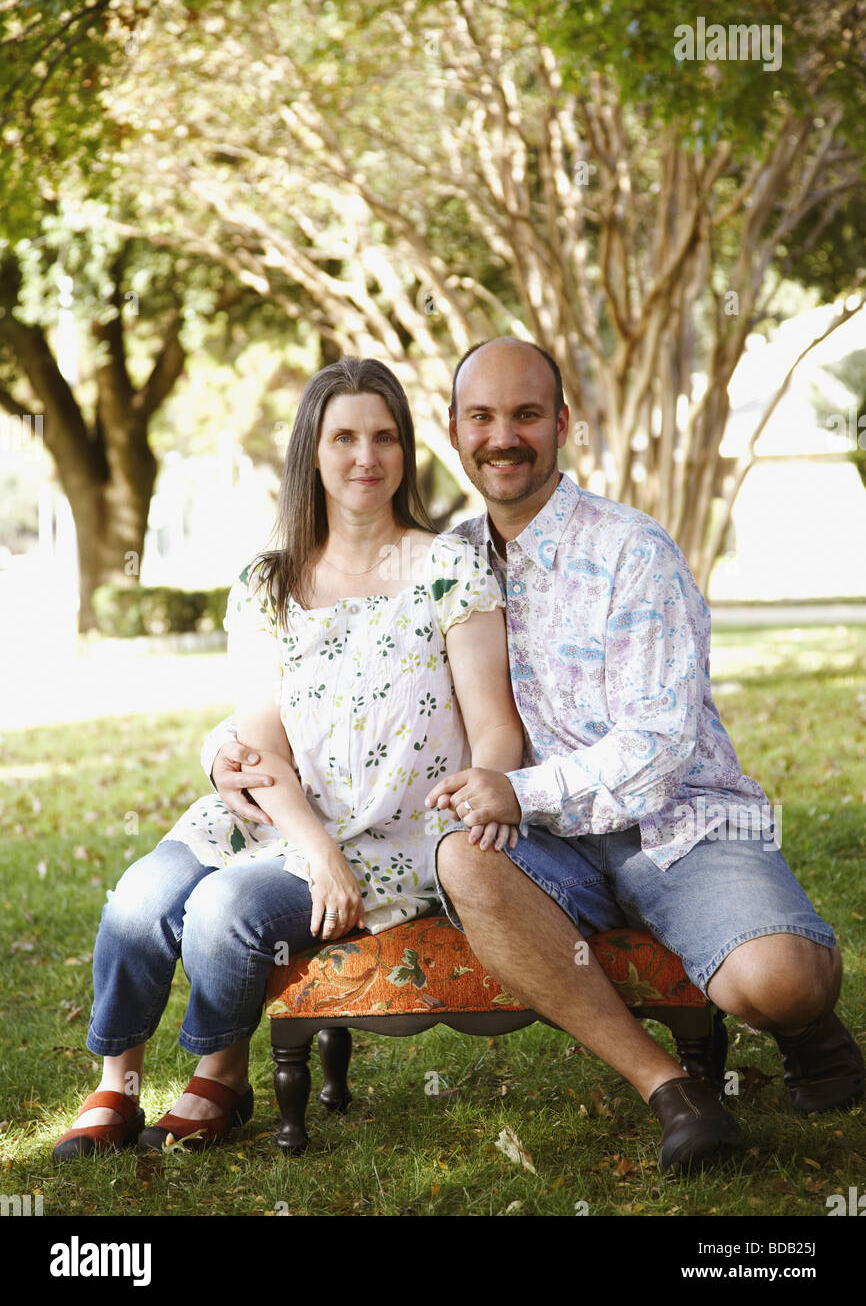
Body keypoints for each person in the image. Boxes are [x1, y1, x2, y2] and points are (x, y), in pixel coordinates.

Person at [211, 337, 865, 1173]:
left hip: (676, 821)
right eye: (481, 417)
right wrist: (226, 750)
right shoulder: (439, 565)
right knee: (464, 862)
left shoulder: (632, 551)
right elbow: (331, 683)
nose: (503, 437)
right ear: (453, 432)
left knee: (781, 982)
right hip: (544, 844)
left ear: (561, 424)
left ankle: (810, 1031)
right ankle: (669, 1088)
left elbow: (659, 748)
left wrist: (522, 792)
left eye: (526, 415)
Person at [52, 356, 524, 1160]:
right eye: (343, 437)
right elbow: (261, 743)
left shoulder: (449, 568)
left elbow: (496, 726)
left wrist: (491, 792)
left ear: (407, 452)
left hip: (390, 834)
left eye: (384, 437)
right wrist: (314, 854)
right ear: (312, 451)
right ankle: (117, 1082)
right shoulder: (267, 582)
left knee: (225, 913)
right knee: (139, 899)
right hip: (280, 814)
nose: (365, 457)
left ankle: (219, 1074)